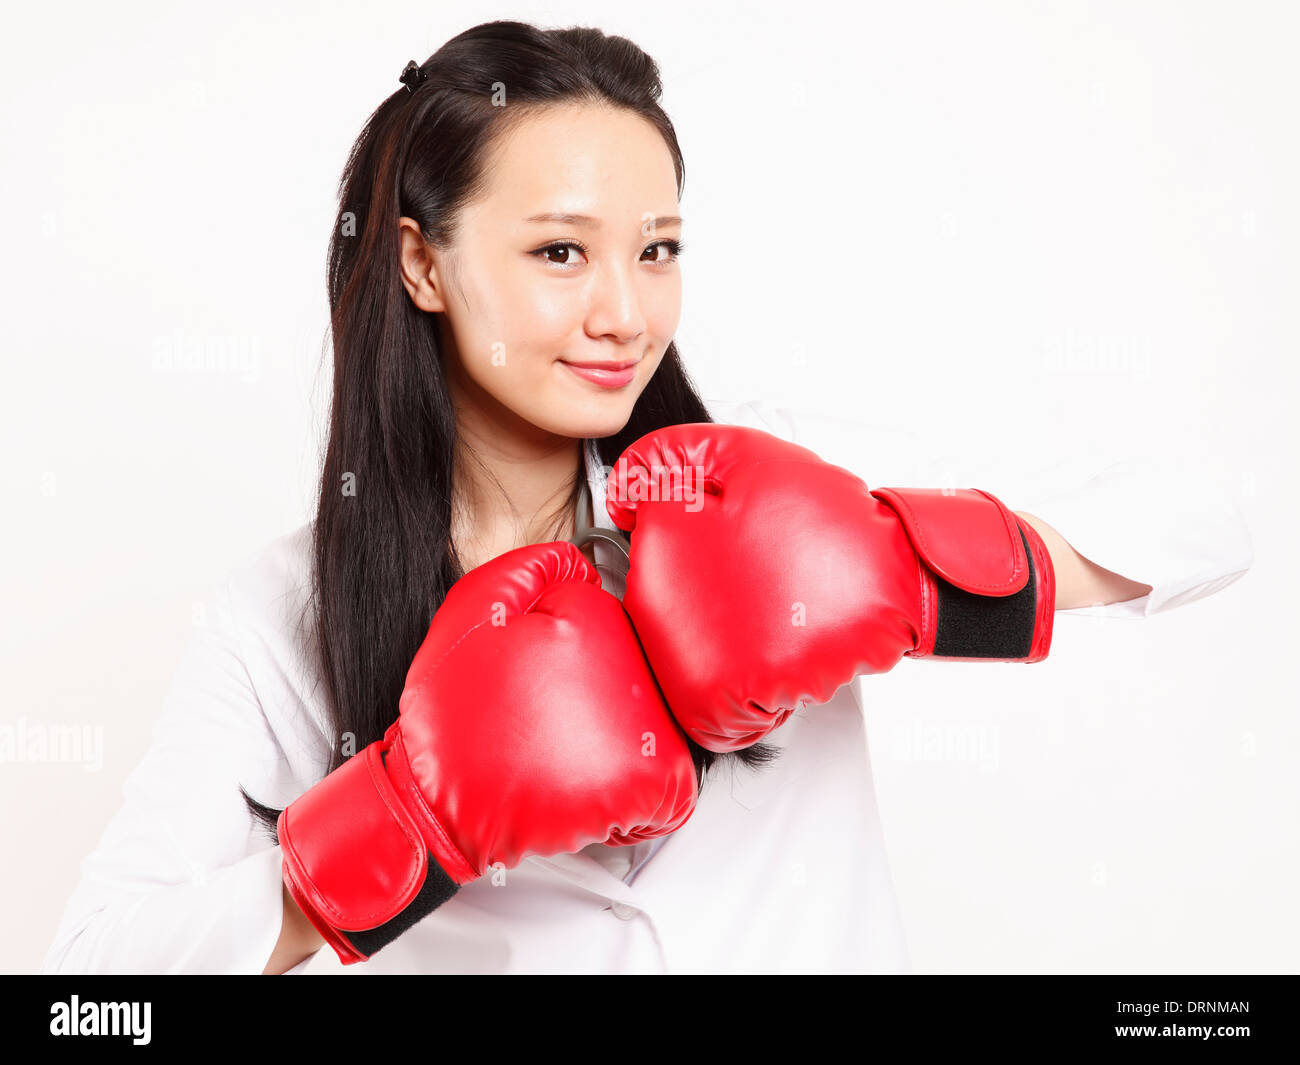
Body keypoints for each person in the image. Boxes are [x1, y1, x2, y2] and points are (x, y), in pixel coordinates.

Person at [41, 20, 1253, 975]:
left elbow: (1209, 523)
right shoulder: (282, 614)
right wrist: (396, 824)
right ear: (421, 262)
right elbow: (93, 995)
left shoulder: (759, 483)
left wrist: (903, 565)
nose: (626, 312)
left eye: (658, 248)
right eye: (560, 251)